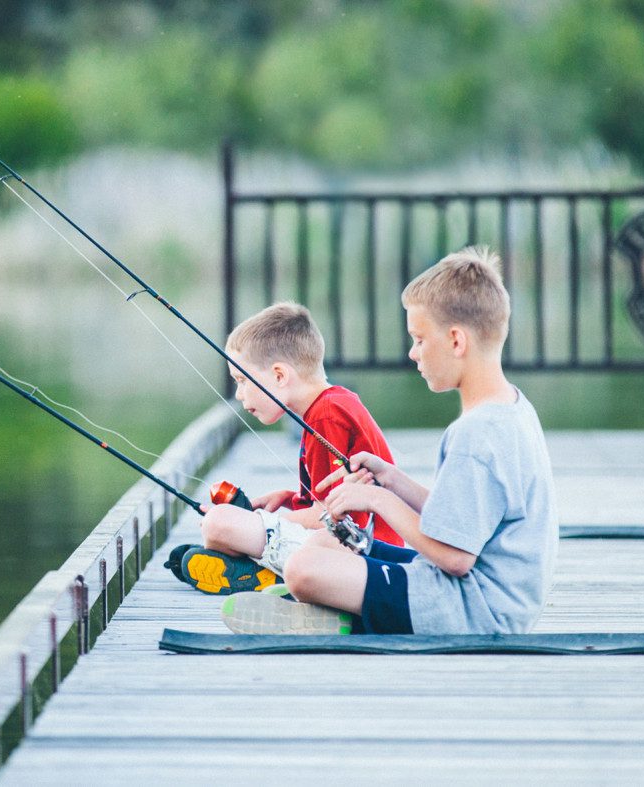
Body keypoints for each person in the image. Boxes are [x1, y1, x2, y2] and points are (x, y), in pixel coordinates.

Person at [217, 246, 558, 635]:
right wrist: (392, 479)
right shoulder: (512, 410)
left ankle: (339, 615)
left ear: (456, 341)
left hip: (473, 611)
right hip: (493, 602)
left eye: (419, 339)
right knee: (323, 548)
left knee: (304, 567)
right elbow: (463, 521)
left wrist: (379, 499)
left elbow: (456, 557)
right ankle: (338, 604)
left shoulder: (473, 435)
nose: (412, 353)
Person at [169, 301, 399, 596]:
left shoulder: (327, 415)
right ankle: (255, 571)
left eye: (242, 381)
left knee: (217, 525)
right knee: (221, 528)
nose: (239, 395)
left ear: (279, 376)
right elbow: (330, 501)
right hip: (353, 548)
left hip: (365, 555)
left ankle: (278, 579)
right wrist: (291, 499)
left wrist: (260, 522)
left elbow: (331, 516)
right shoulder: (329, 406)